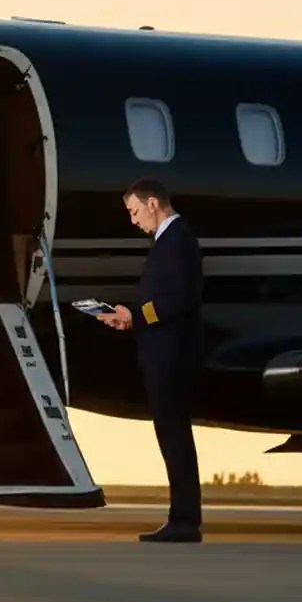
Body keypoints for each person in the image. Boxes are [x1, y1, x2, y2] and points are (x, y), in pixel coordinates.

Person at [97, 178, 205, 543]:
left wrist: (135, 317)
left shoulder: (177, 240)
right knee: (171, 435)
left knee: (174, 436)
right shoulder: (169, 241)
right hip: (162, 351)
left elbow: (179, 299)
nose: (133, 220)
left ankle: (185, 520)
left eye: (134, 211)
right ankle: (182, 518)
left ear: (153, 203)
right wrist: (130, 316)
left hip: (171, 354)